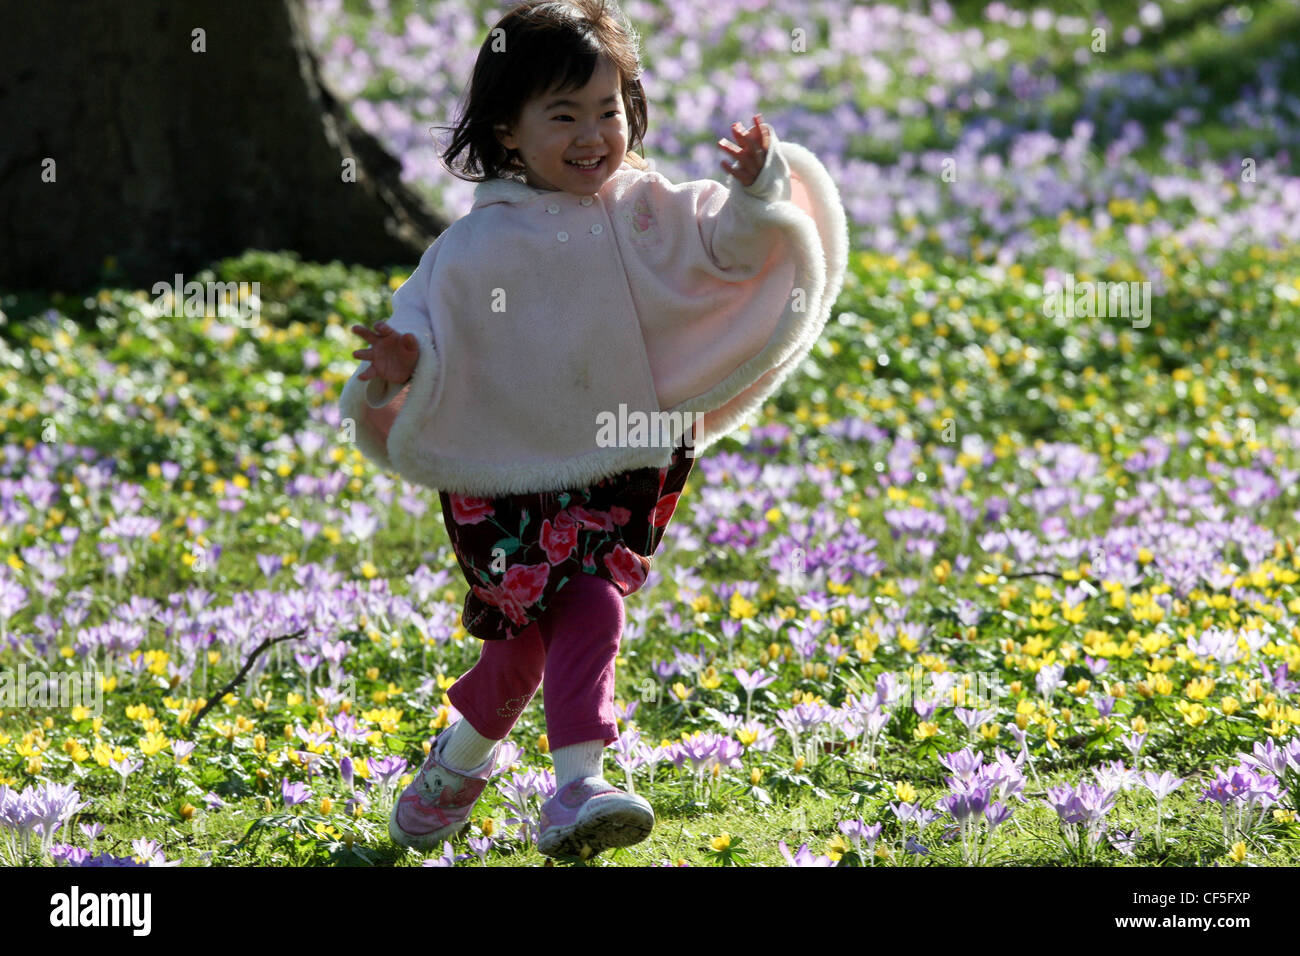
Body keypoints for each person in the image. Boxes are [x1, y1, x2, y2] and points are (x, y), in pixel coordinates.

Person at [340, 0, 848, 860]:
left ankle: (517, 778)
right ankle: (521, 777)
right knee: (548, 630)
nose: (592, 134)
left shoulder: (643, 206)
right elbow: (432, 325)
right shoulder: (475, 247)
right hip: (506, 478)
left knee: (569, 618)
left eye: (607, 110)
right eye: (563, 115)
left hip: (619, 461)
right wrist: (399, 366)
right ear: (506, 132)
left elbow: (721, 248)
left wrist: (755, 188)